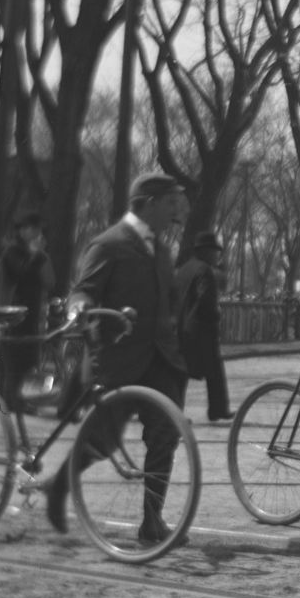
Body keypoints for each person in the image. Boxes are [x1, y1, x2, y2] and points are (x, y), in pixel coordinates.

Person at [45, 172, 191, 547]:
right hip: (118, 357)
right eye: (170, 201)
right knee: (104, 442)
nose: (176, 209)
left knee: (166, 434)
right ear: (148, 203)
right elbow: (84, 291)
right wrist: (80, 311)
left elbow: (168, 299)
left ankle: (152, 521)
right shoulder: (108, 244)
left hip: (160, 358)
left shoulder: (161, 249)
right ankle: (59, 486)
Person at [0, 212, 56, 413]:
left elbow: (50, 281)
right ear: (21, 230)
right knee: (13, 358)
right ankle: (9, 401)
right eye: (32, 227)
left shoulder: (38, 254)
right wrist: (36, 255)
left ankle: (15, 399)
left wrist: (41, 256)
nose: (36, 232)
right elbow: (21, 273)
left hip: (33, 313)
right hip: (13, 312)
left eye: (38, 228)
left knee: (27, 360)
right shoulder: (12, 251)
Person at [175, 231, 233, 423]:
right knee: (214, 371)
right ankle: (218, 409)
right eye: (214, 251)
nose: (216, 255)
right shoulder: (204, 270)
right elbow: (205, 299)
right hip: (200, 330)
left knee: (180, 374)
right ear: (206, 252)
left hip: (180, 328)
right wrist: (215, 315)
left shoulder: (182, 270)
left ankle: (174, 412)